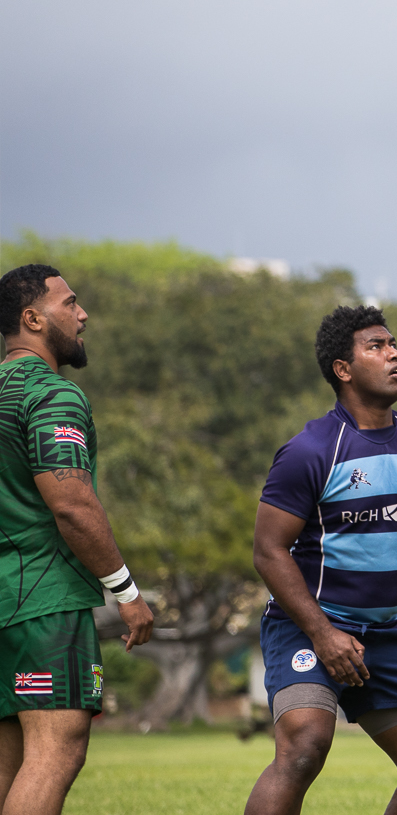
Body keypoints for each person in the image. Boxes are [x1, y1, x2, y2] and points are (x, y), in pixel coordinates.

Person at [247, 305, 397, 815]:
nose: (395, 353)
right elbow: (268, 550)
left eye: (393, 343)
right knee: (305, 747)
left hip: (381, 634)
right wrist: (323, 634)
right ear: (342, 369)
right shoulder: (311, 450)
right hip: (305, 627)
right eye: (376, 346)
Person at [0, 264, 153, 815]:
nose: (82, 314)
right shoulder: (52, 393)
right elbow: (72, 505)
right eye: (69, 304)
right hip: (42, 600)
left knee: (10, 764)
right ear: (32, 318)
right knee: (53, 754)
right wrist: (127, 592)